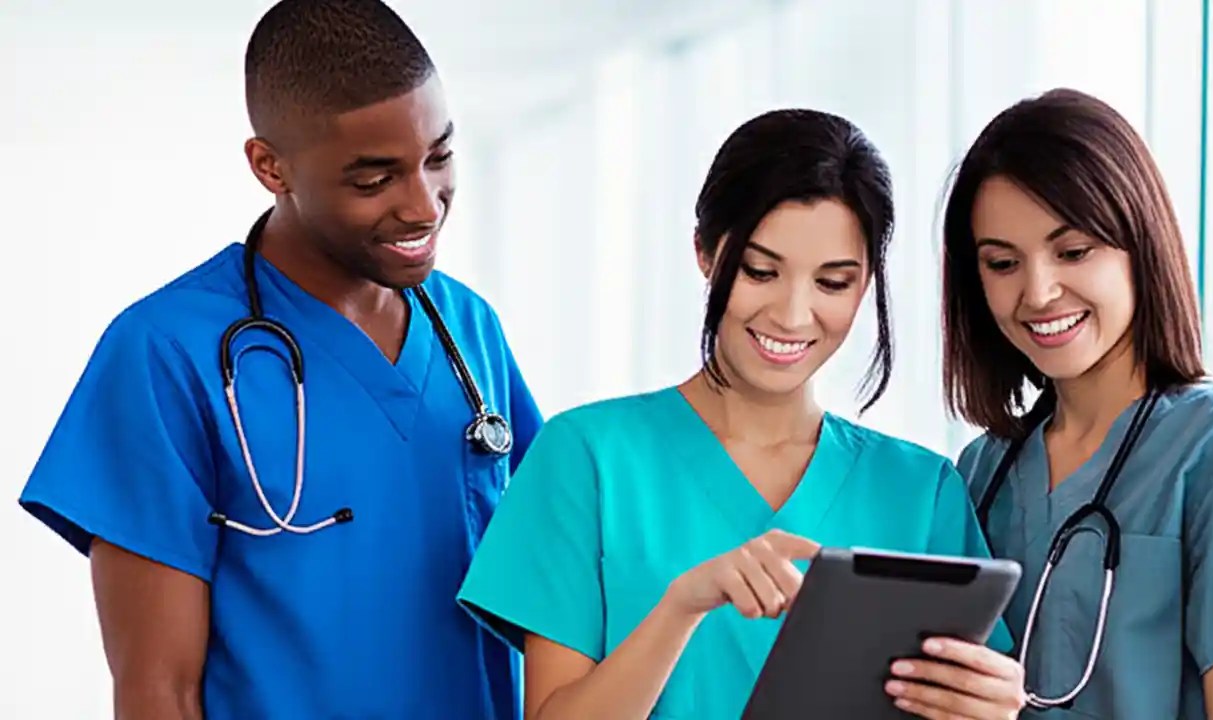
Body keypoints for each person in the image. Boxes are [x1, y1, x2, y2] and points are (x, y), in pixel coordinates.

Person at [17, 1, 541, 718]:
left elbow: (557, 596)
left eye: (439, 157)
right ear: (270, 167)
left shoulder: (467, 328)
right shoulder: (167, 352)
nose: (424, 205)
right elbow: (157, 690)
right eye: (374, 180)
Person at [455, 108, 1024, 720]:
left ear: (865, 286)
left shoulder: (922, 492)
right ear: (705, 251)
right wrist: (681, 607)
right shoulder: (587, 458)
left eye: (833, 282)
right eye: (760, 271)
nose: (792, 314)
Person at [902, 87, 1213, 719]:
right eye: (1002, 263)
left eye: (1073, 252)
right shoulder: (980, 474)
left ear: (1140, 244)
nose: (1038, 292)